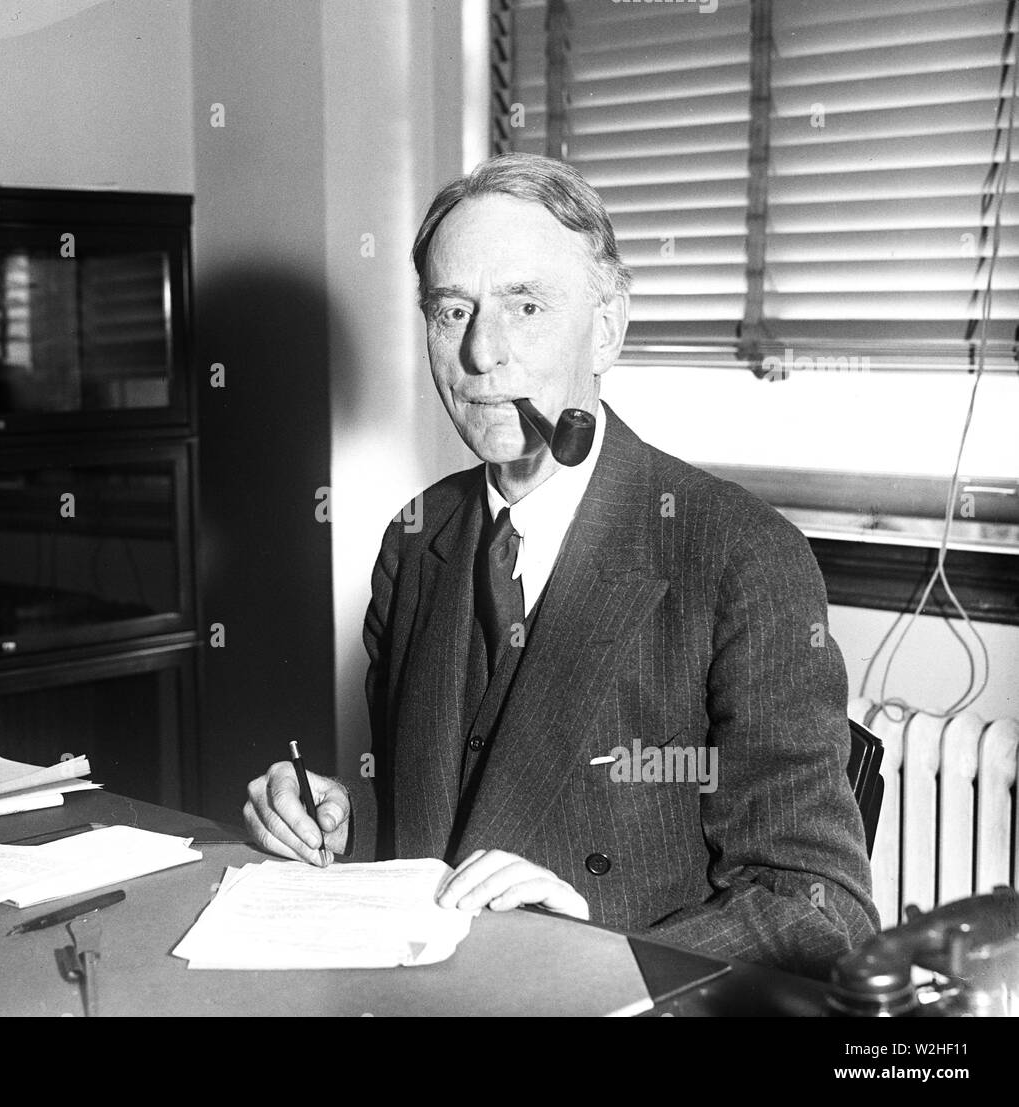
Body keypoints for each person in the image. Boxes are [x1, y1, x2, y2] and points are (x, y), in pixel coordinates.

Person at [244, 152, 878, 978]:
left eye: (526, 305)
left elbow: (817, 905)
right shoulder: (416, 539)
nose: (481, 354)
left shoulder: (737, 554)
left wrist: (595, 954)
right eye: (451, 311)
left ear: (607, 326)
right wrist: (340, 819)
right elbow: (439, 820)